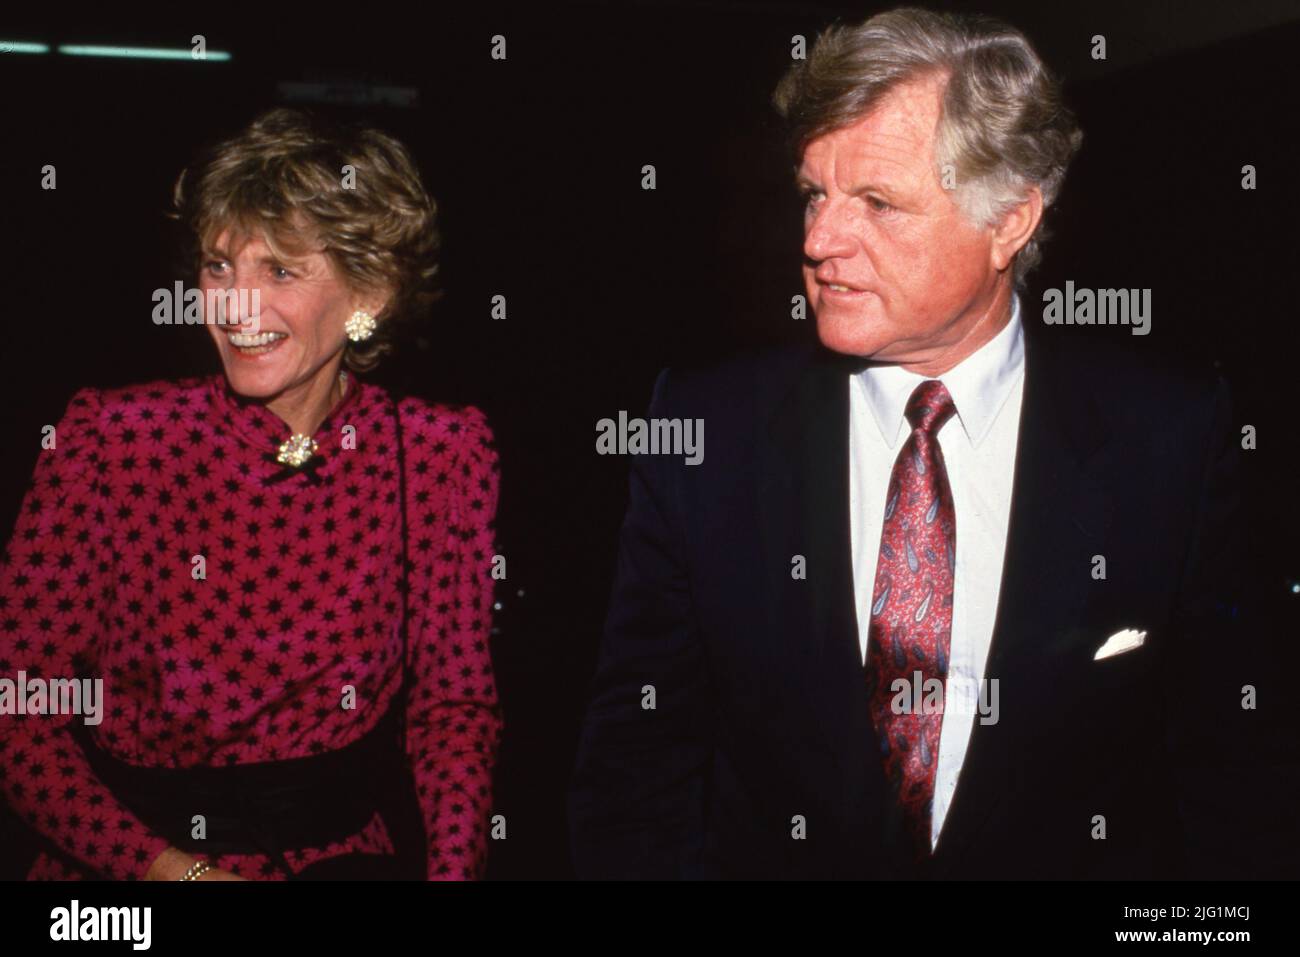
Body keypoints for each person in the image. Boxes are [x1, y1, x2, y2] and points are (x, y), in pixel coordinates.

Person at [569, 7, 1288, 879]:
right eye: (814, 194)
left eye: (877, 201)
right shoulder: (705, 434)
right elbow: (635, 776)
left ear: (1010, 221)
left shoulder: (1168, 435)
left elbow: (1234, 779)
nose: (818, 241)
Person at [0, 108, 503, 880]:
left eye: (279, 271)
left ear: (371, 291)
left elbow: (451, 714)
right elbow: (19, 716)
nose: (234, 306)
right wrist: (173, 873)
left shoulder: (439, 456)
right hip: (126, 873)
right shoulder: (112, 442)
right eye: (217, 267)